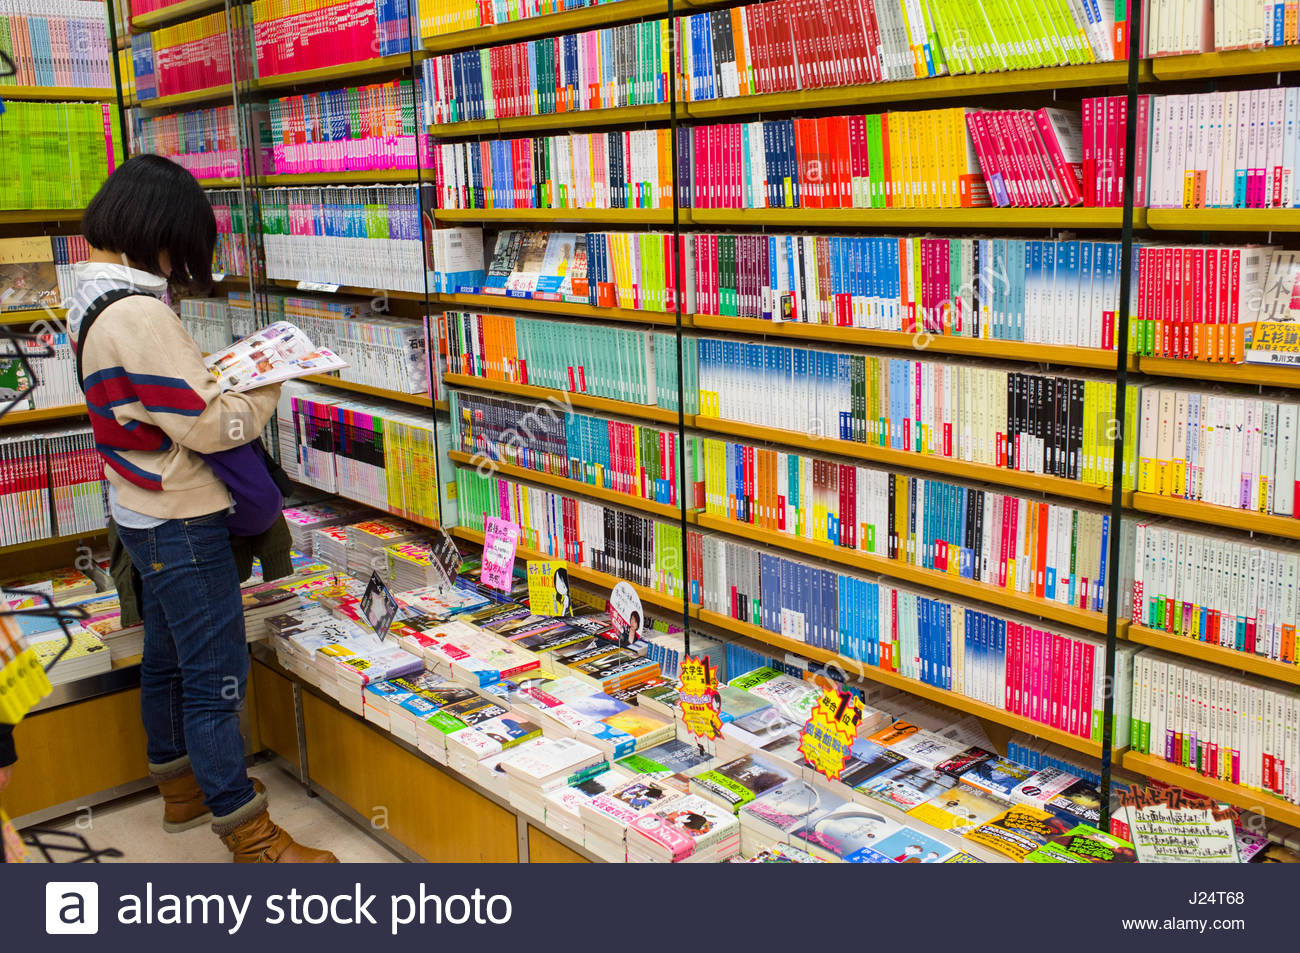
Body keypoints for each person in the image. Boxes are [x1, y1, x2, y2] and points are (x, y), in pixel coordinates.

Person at [69, 155, 334, 863]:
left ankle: (179, 788)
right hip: (182, 515)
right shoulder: (137, 313)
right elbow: (213, 426)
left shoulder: (90, 296)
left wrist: (210, 376)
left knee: (167, 655)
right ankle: (250, 834)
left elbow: (159, 399)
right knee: (217, 673)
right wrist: (277, 378)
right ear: (157, 228)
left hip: (138, 507)